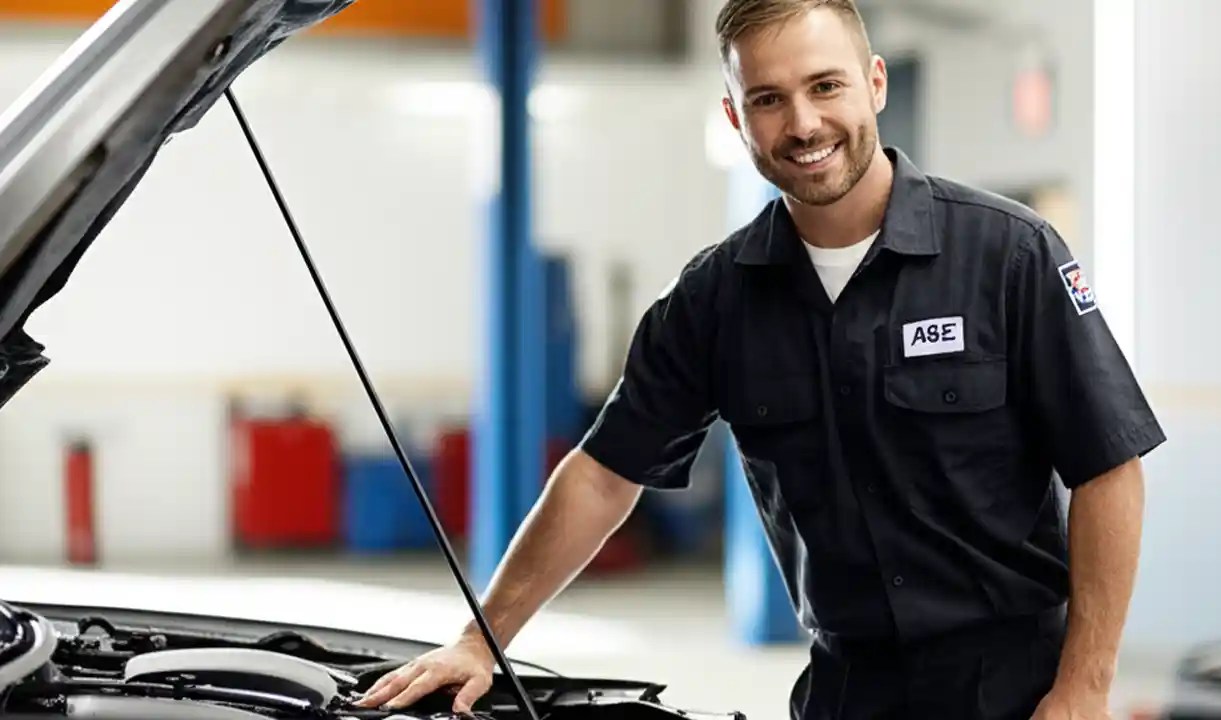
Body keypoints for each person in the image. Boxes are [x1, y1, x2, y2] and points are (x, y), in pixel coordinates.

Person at [356, 1, 1165, 717]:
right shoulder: (714, 300)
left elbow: (1107, 467)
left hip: (1017, 687)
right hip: (847, 689)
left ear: (874, 83)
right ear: (736, 118)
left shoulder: (1007, 253)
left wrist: (1085, 688)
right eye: (768, 99)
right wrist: (480, 637)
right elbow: (603, 475)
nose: (803, 123)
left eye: (825, 86)